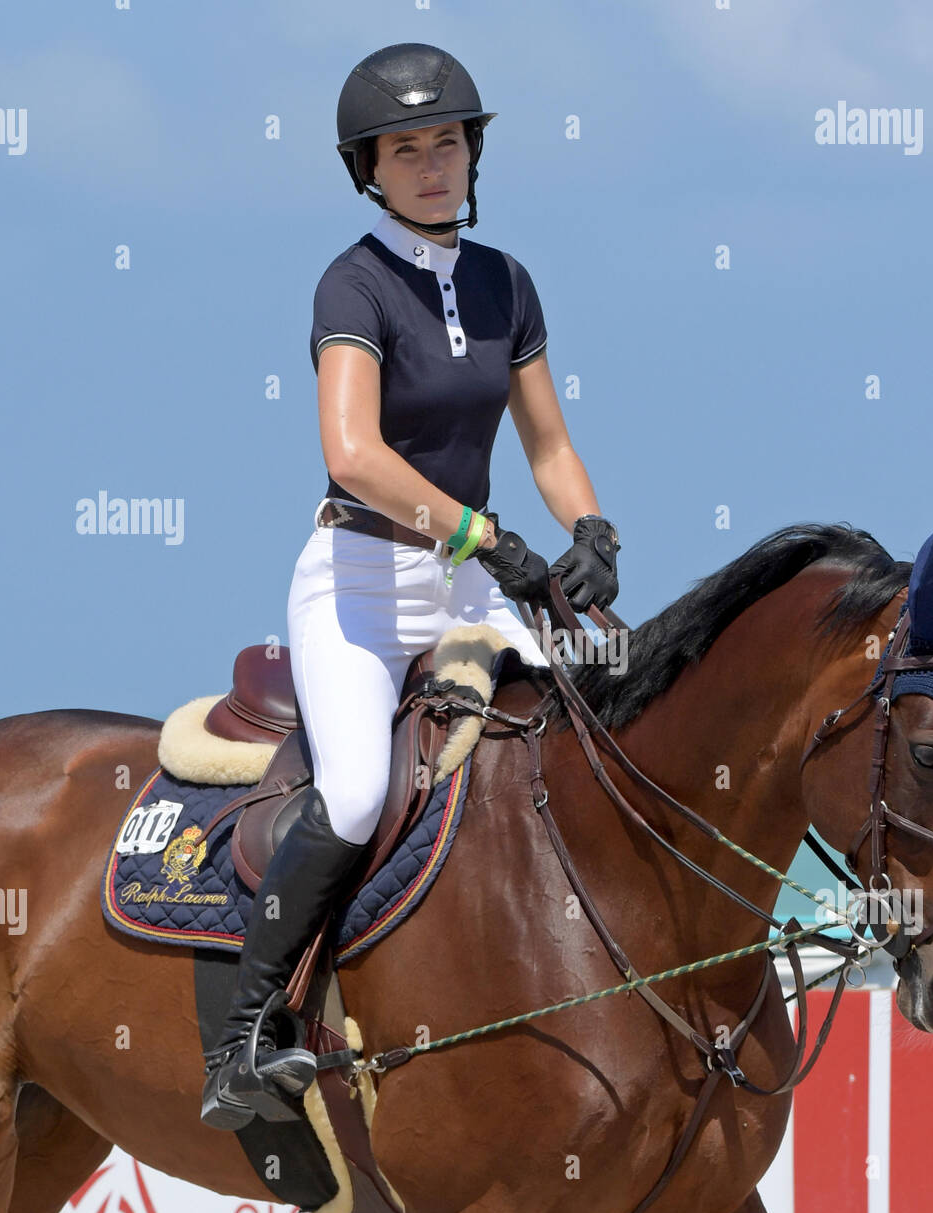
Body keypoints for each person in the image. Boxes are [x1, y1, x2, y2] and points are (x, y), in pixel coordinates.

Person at [200, 42, 621, 1129]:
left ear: (471, 151)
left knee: (594, 723)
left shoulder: (503, 281)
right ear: (369, 169)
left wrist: (588, 527)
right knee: (350, 793)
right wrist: (485, 534)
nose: (431, 165)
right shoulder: (353, 282)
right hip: (361, 581)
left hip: (468, 578)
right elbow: (354, 454)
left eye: (446, 142)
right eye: (405, 149)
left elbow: (549, 441)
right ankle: (246, 1040)